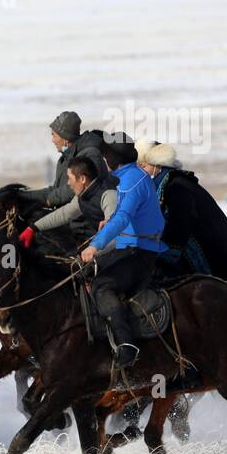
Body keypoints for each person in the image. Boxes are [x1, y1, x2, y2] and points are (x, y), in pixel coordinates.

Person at [79, 136, 167, 368]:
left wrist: (95, 246)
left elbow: (124, 217)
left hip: (139, 251)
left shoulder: (130, 181)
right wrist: (108, 222)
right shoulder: (131, 176)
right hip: (132, 246)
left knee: (101, 285)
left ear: (110, 159)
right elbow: (126, 215)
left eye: (105, 155)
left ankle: (126, 344)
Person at [138, 143, 227, 291]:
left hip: (206, 251)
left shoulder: (177, 187)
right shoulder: (166, 185)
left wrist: (164, 259)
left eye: (143, 166)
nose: (140, 172)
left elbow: (179, 226)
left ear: (158, 164)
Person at [24, 111, 111, 241]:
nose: (52, 140)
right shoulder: (64, 160)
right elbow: (57, 192)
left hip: (85, 229)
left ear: (65, 138)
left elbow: (74, 192)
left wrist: (50, 199)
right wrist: (23, 195)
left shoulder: (90, 155)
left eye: (54, 135)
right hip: (71, 224)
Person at [19, 156, 118, 249]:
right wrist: (34, 228)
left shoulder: (108, 195)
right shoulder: (83, 196)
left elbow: (115, 234)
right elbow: (64, 214)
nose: (68, 183)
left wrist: (93, 250)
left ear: (83, 179)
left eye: (70, 178)